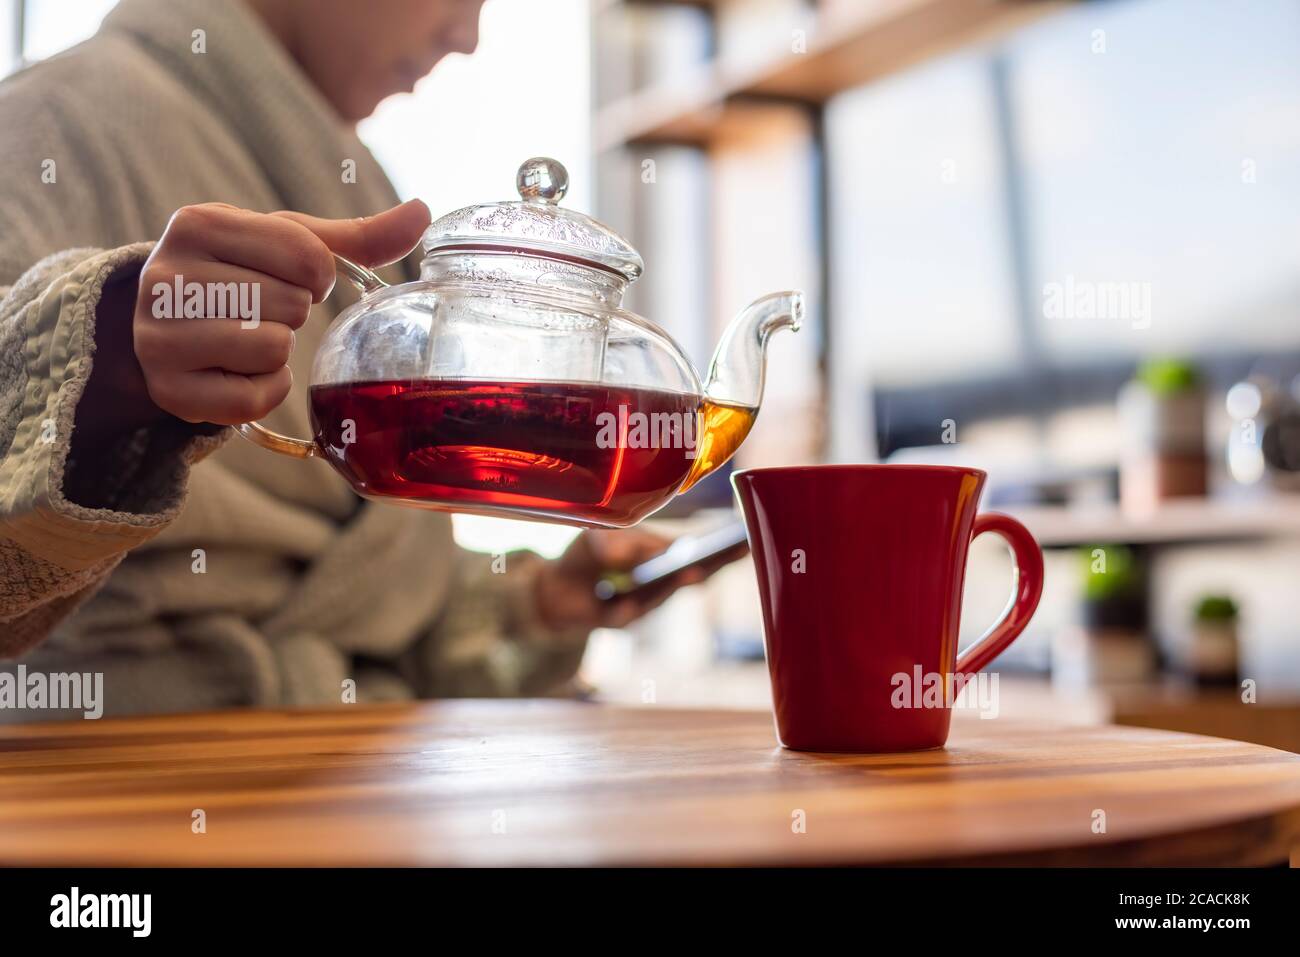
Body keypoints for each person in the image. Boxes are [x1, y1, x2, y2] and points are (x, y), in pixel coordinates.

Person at [0, 0, 704, 720]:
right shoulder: (41, 127)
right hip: (112, 765)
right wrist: (109, 352)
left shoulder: (353, 178)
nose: (467, 36)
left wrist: (532, 606)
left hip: (349, 763)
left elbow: (355, 604)